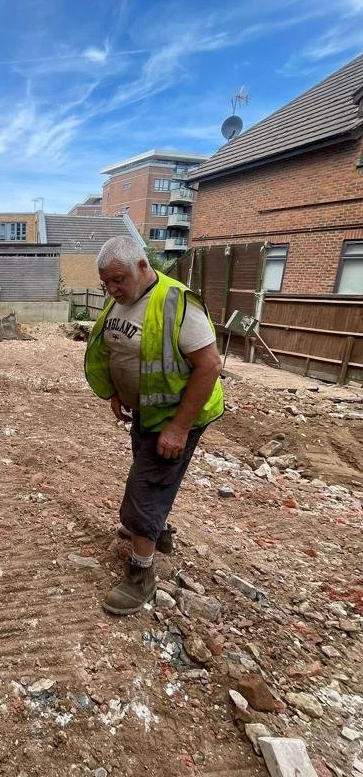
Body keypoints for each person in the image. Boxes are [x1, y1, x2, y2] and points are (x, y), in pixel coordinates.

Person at [84, 238, 224, 615]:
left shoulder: (176, 302)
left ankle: (141, 575)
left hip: (177, 416)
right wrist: (116, 390)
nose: (112, 290)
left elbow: (210, 365)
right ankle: (156, 532)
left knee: (143, 492)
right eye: (106, 284)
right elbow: (119, 349)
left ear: (143, 267)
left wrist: (179, 428)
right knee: (149, 481)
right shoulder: (123, 300)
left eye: (118, 280)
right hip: (145, 412)